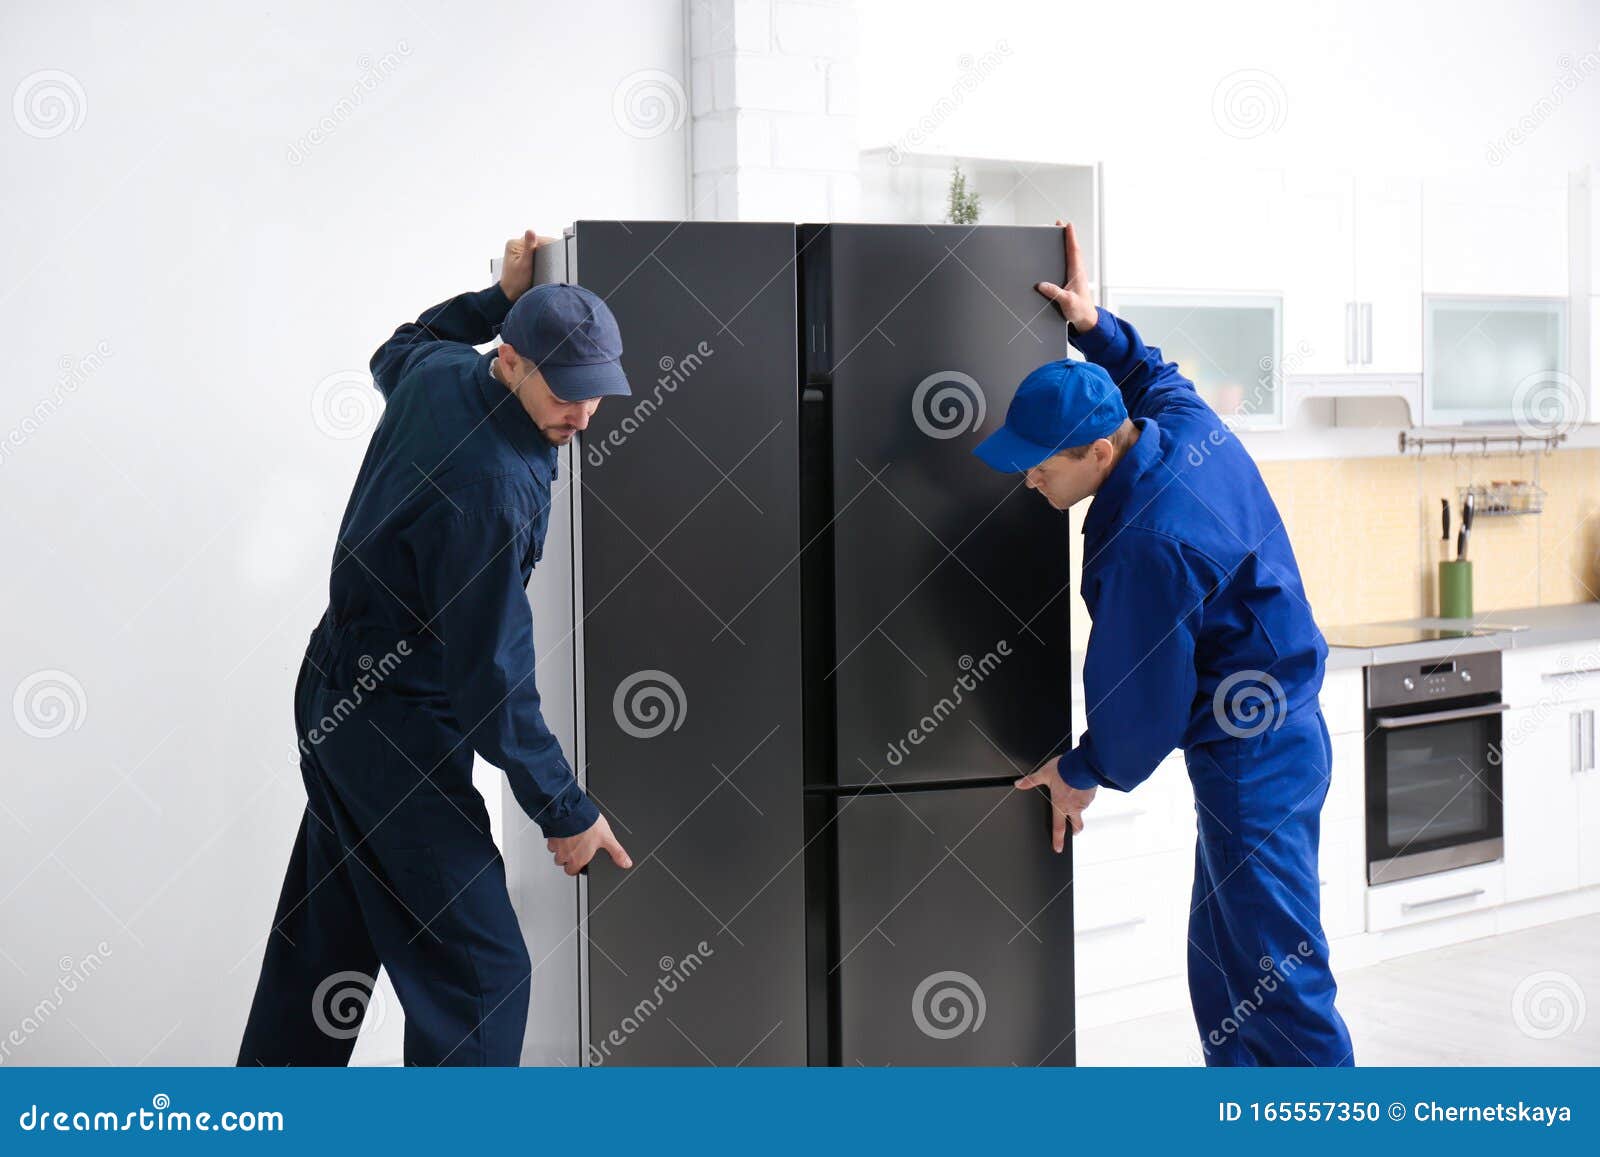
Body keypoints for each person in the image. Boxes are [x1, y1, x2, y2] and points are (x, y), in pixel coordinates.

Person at [239, 232, 633, 1067]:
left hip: (335, 696)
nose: (584, 415)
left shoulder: (439, 374)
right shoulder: (490, 488)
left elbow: (401, 345)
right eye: (568, 393)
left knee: (328, 941)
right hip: (395, 727)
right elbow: (492, 674)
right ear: (514, 363)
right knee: (481, 974)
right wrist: (563, 809)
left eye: (598, 394)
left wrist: (495, 297)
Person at [976, 221, 1354, 1067]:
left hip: (1258, 751)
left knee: (1276, 971)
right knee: (1227, 970)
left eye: (1041, 466)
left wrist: (1081, 771)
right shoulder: (1175, 424)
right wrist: (1093, 326)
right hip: (1268, 733)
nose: (1029, 479)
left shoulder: (1150, 538)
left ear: (1100, 449)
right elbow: (1155, 374)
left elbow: (1142, 695)